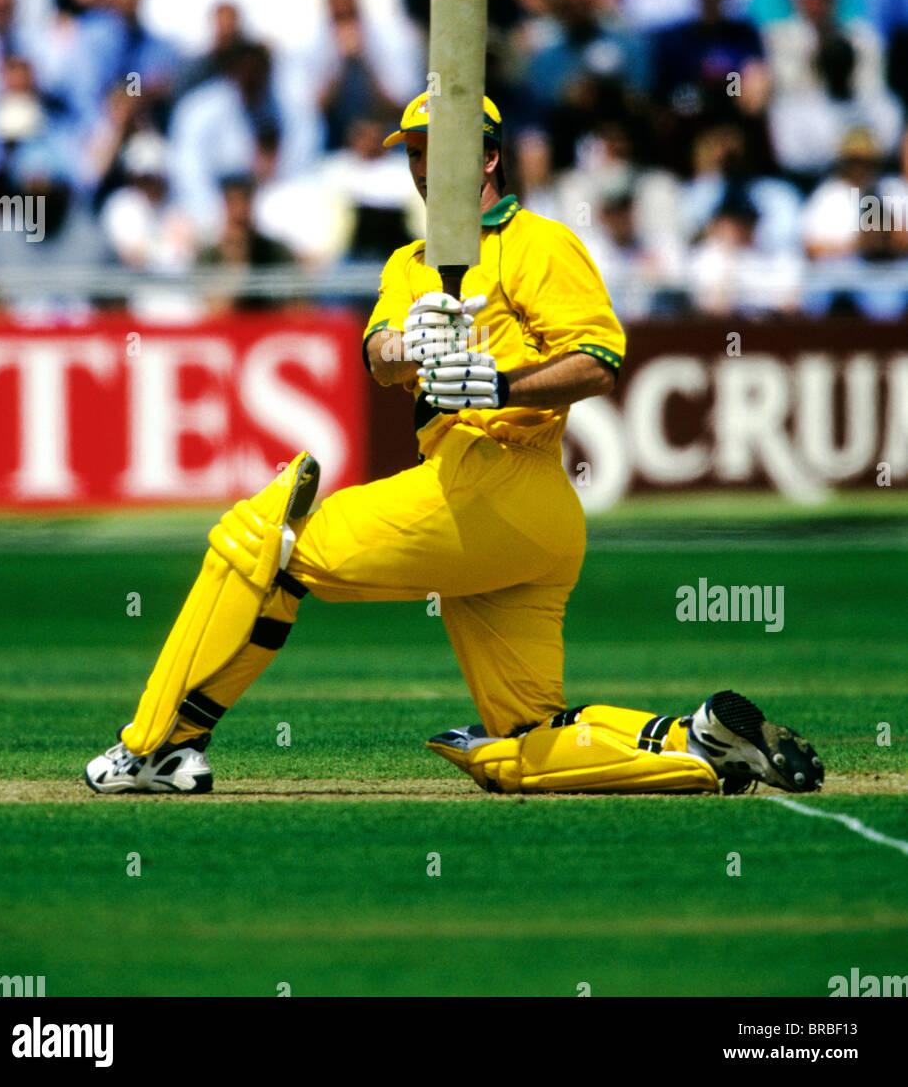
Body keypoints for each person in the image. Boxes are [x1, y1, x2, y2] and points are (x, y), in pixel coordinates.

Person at [85, 93, 823, 799]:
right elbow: (377, 358)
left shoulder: (536, 242)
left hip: (499, 480)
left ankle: (158, 744)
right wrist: (412, 344)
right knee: (521, 743)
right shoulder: (409, 265)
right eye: (412, 150)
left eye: (438, 149)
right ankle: (699, 746)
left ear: (489, 159)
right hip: (504, 521)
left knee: (265, 546)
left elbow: (600, 358)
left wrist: (496, 384)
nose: (420, 164)